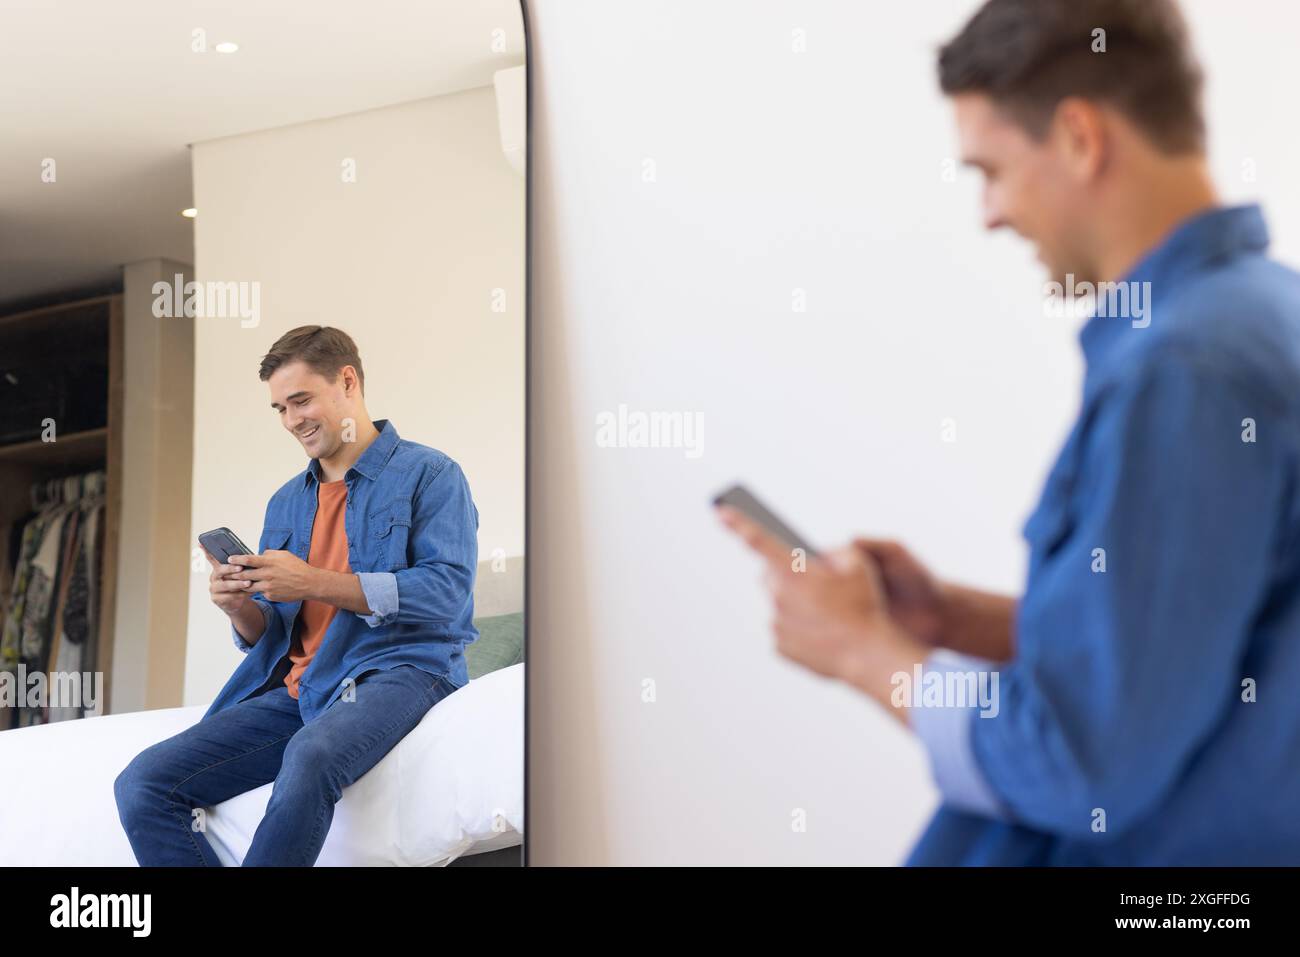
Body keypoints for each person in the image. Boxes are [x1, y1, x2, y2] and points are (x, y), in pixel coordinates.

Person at [718, 0, 1300, 865]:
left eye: (989, 170)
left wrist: (864, 651)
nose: (989, 213)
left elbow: (1084, 763)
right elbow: (1178, 645)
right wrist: (954, 618)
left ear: (1077, 137)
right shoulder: (1259, 314)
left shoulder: (1185, 369)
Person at [114, 326, 480, 865]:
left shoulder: (431, 474)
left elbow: (446, 594)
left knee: (311, 755)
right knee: (143, 783)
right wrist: (241, 608)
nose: (292, 421)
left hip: (400, 671)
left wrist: (311, 579)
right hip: (303, 689)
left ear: (348, 382)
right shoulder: (286, 502)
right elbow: (278, 627)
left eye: (302, 400)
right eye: (280, 408)